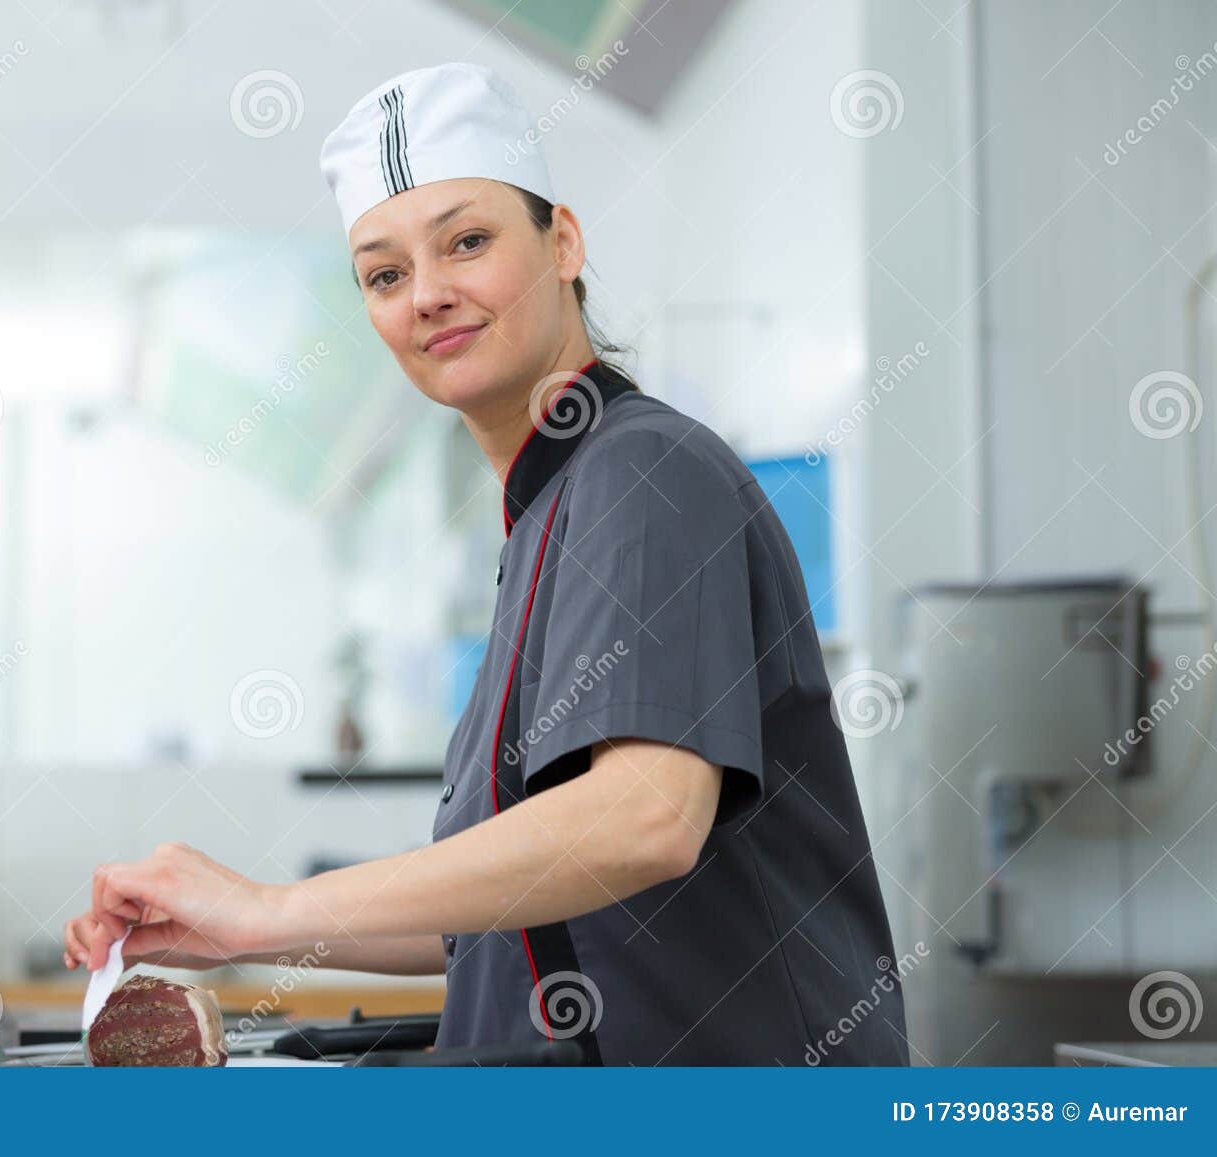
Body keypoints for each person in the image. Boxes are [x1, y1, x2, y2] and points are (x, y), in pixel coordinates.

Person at [63, 61, 908, 1066]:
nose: (427, 295)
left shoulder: (642, 470)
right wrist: (250, 927)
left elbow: (645, 816)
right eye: (383, 273)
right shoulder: (544, 516)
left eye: (466, 241)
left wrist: (267, 906)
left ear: (562, 243)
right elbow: (502, 913)